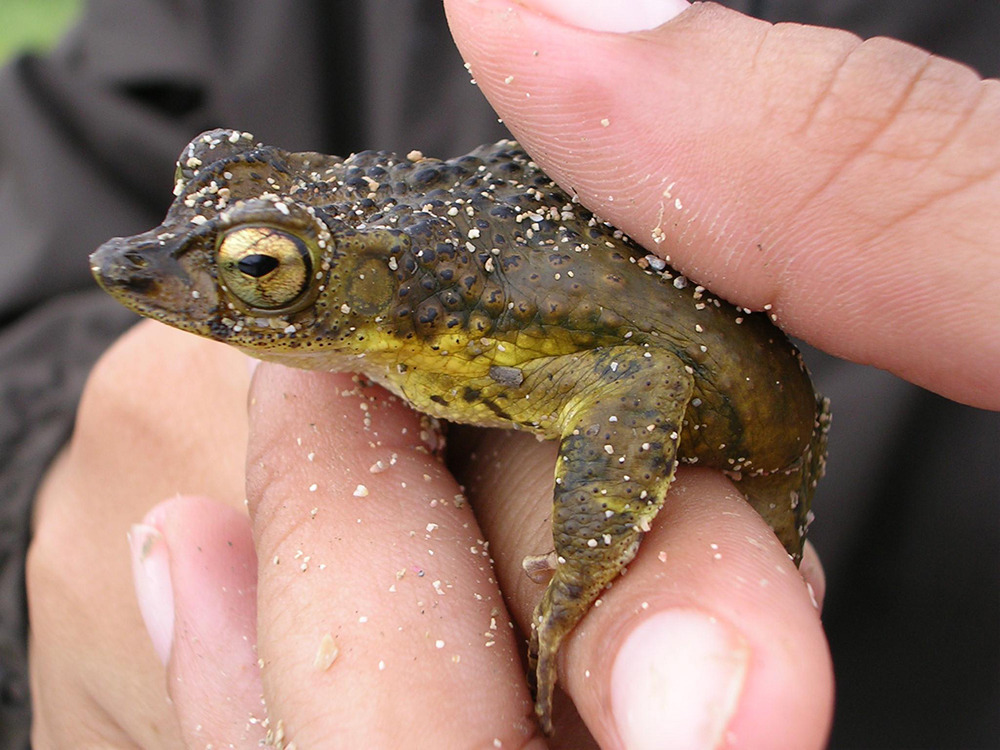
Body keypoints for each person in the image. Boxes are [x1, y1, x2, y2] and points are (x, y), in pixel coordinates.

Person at [2, 0, 997, 747]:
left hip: (752, 432)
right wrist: (37, 481)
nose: (147, 263)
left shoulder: (461, 348)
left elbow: (637, 383)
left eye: (259, 271)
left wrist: (584, 553)